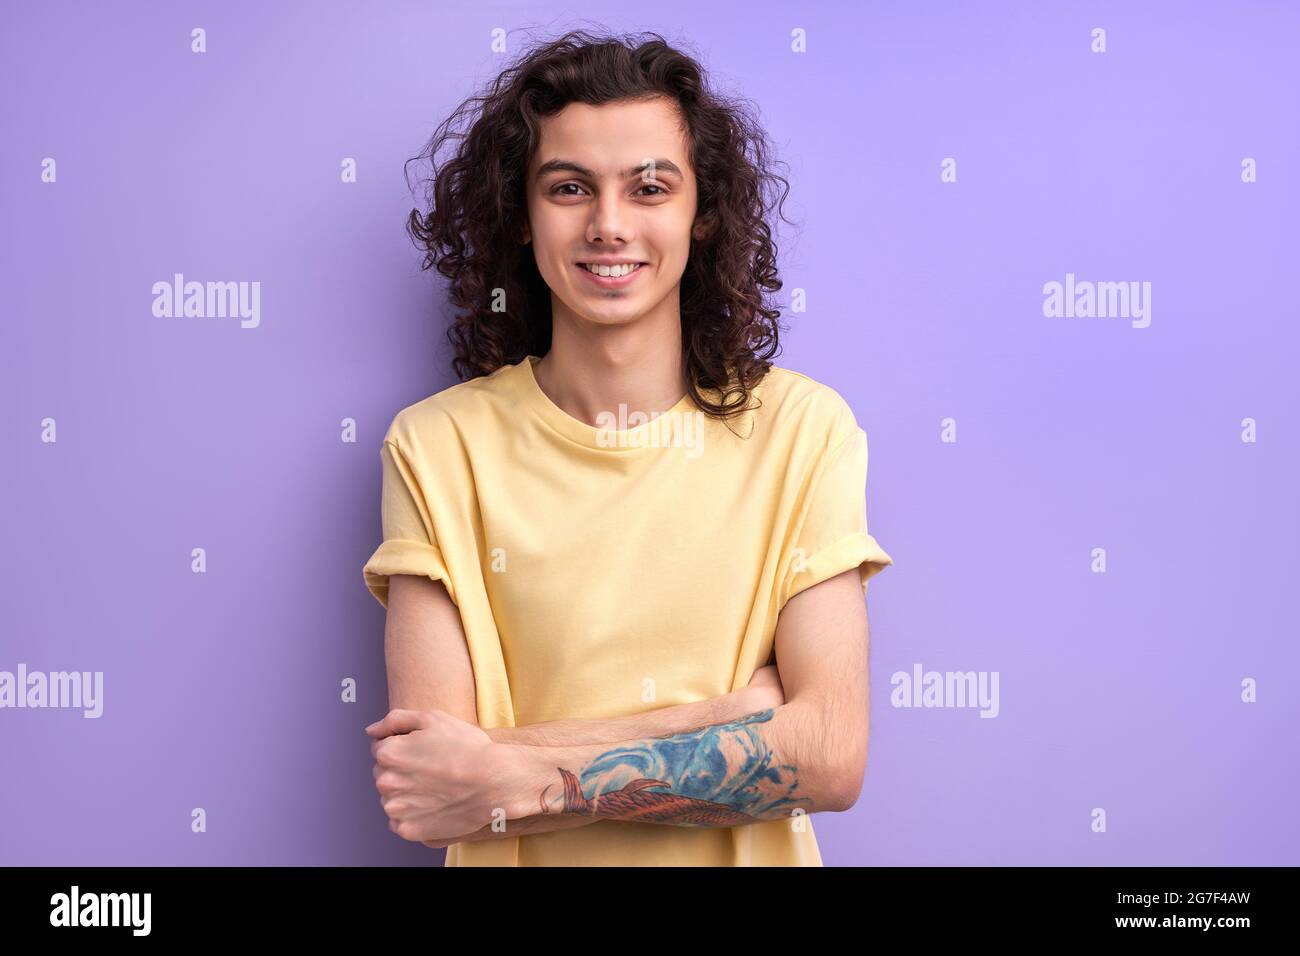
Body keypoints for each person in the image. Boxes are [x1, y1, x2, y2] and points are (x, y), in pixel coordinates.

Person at [361, 29, 894, 866]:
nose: (609, 225)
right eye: (570, 187)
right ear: (522, 214)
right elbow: (437, 795)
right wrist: (717, 718)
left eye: (650, 187)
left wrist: (528, 776)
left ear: (701, 213)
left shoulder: (804, 431)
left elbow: (828, 757)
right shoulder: (436, 447)